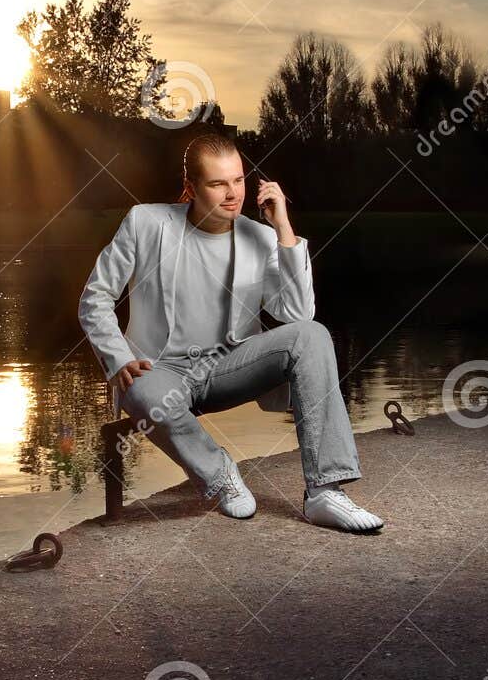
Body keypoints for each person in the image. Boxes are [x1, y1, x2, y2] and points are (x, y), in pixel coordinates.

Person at [77, 132, 384, 532]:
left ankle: (325, 492)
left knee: (311, 335)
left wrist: (283, 228)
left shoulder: (260, 236)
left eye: (238, 180)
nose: (232, 194)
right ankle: (220, 475)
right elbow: (95, 297)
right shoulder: (145, 223)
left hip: (230, 365)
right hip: (161, 369)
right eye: (218, 183)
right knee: (140, 390)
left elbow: (297, 313)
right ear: (190, 187)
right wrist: (118, 358)